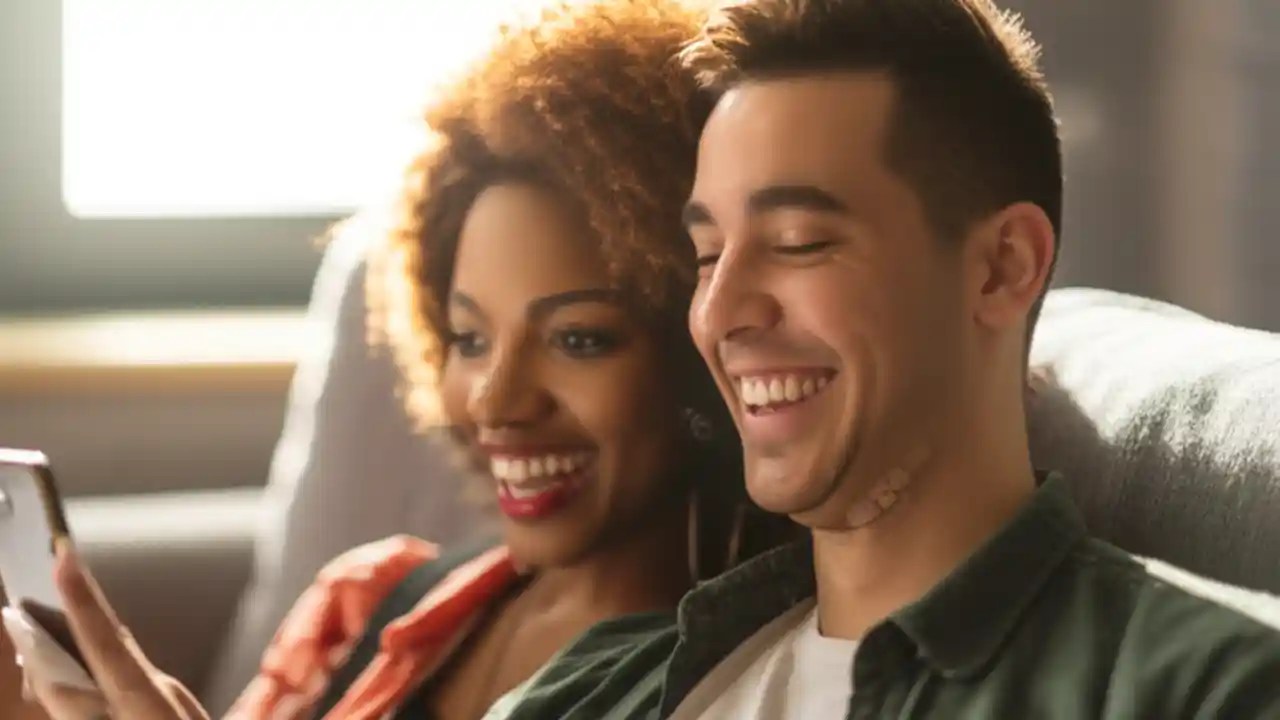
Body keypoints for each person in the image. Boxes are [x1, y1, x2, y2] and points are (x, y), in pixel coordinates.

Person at [3, 2, 791, 718]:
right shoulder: (364, 603)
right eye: (469, 339)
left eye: (577, 339)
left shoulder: (749, 682)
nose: (494, 402)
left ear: (704, 340)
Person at [514, 0, 1280, 718]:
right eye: (709, 255)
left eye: (799, 243)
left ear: (1001, 267)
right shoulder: (591, 688)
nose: (719, 312)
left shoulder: (1207, 688)